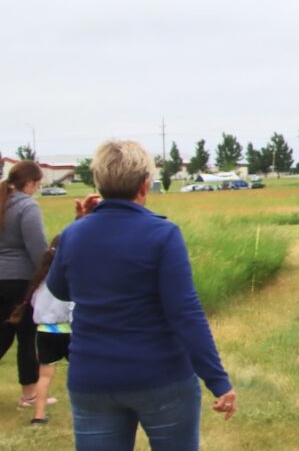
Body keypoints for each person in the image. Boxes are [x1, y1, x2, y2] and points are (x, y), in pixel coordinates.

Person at [47, 140, 236, 449]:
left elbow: (59, 289)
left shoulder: (74, 233)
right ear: (145, 185)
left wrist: (81, 225)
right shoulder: (162, 234)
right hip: (160, 375)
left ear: (98, 183)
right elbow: (184, 313)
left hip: (92, 375)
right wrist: (217, 381)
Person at [8, 235, 70, 424]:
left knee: (44, 376)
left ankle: (39, 415)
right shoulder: (69, 280)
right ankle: (87, 412)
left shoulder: (39, 283)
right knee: (81, 375)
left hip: (44, 332)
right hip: (69, 332)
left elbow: (35, 305)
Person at [0, 160, 47, 409]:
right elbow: (37, 247)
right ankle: (29, 394)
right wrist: (46, 275)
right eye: (37, 184)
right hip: (20, 282)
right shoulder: (27, 207)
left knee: (2, 335)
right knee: (27, 338)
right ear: (29, 183)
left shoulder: (2, 202)